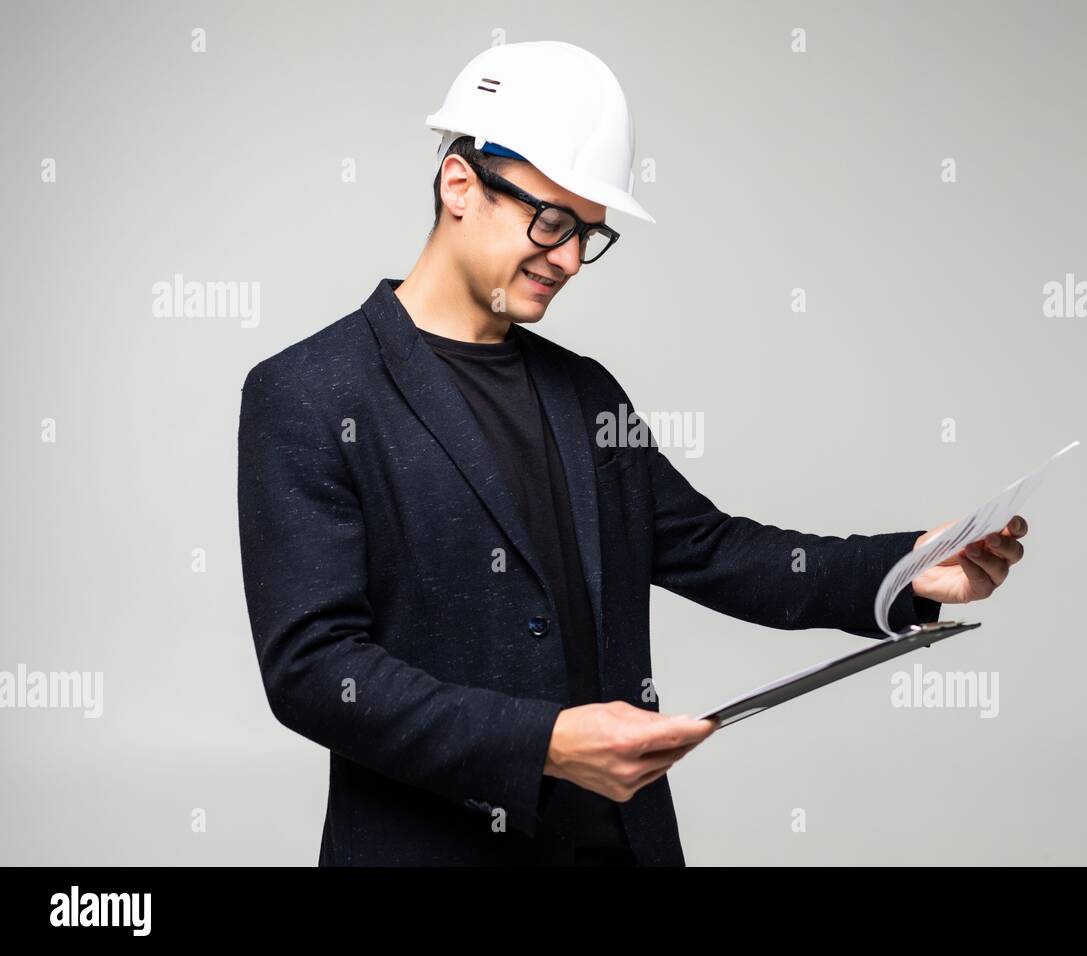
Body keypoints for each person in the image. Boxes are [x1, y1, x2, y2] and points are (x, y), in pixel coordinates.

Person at [235, 40, 1028, 867]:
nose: (571, 259)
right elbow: (314, 671)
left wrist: (907, 569)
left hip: (618, 849)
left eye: (590, 234)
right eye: (551, 221)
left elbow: (710, 548)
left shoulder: (585, 394)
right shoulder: (309, 393)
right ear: (459, 183)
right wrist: (542, 741)